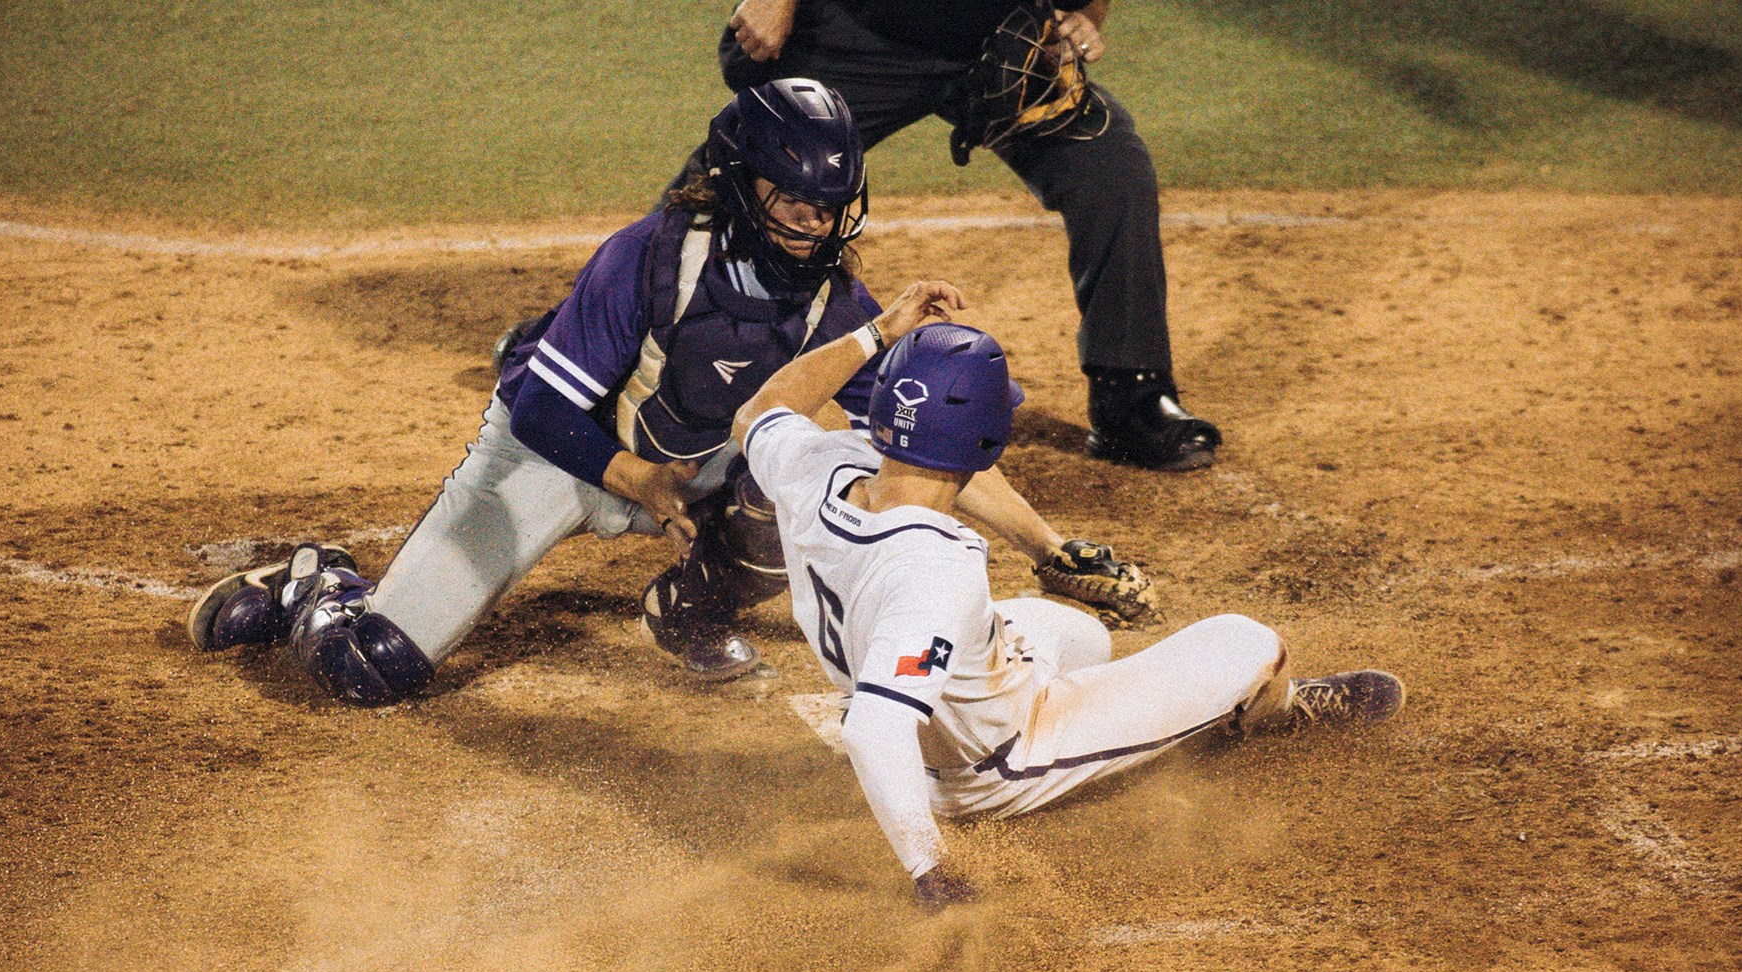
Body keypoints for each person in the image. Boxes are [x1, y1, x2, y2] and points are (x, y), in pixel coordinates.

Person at [184, 79, 1150, 702]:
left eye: (831, 203)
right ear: (741, 186)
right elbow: (540, 408)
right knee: (373, 672)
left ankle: (693, 606)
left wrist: (1052, 545)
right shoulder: (648, 261)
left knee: (822, 471)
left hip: (690, 465)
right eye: (794, 201)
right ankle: (317, 581)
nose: (817, 222)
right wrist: (637, 481)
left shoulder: (835, 304)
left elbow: (921, 445)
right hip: (558, 455)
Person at [731, 313, 1403, 908]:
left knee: (1086, 637)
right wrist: (930, 869)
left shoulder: (818, 463)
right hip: (990, 765)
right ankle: (1277, 710)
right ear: (987, 442)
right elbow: (875, 729)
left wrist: (879, 330)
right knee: (1251, 644)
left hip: (921, 668)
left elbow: (761, 408)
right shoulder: (932, 572)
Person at [691, 0, 1222, 472]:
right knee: (728, 182)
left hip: (1000, 42)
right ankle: (669, 358)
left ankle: (1128, 396)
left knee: (1110, 169)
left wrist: (1082, 15)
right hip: (861, 32)